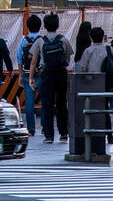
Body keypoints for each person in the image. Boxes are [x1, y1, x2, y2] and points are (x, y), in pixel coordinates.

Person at [29, 12, 73, 143]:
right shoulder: (63, 40)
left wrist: (31, 77)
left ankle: (49, 136)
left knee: (47, 105)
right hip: (61, 74)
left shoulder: (40, 41)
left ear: (45, 26)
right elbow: (68, 58)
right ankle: (63, 133)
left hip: (46, 74)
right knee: (61, 104)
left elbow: (33, 61)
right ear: (58, 25)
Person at [17, 13, 42, 136]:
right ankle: (44, 126)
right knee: (45, 100)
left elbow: (19, 58)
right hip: (40, 74)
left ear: (28, 27)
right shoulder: (42, 40)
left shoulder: (23, 40)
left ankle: (31, 128)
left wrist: (21, 74)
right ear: (40, 26)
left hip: (27, 75)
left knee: (29, 103)